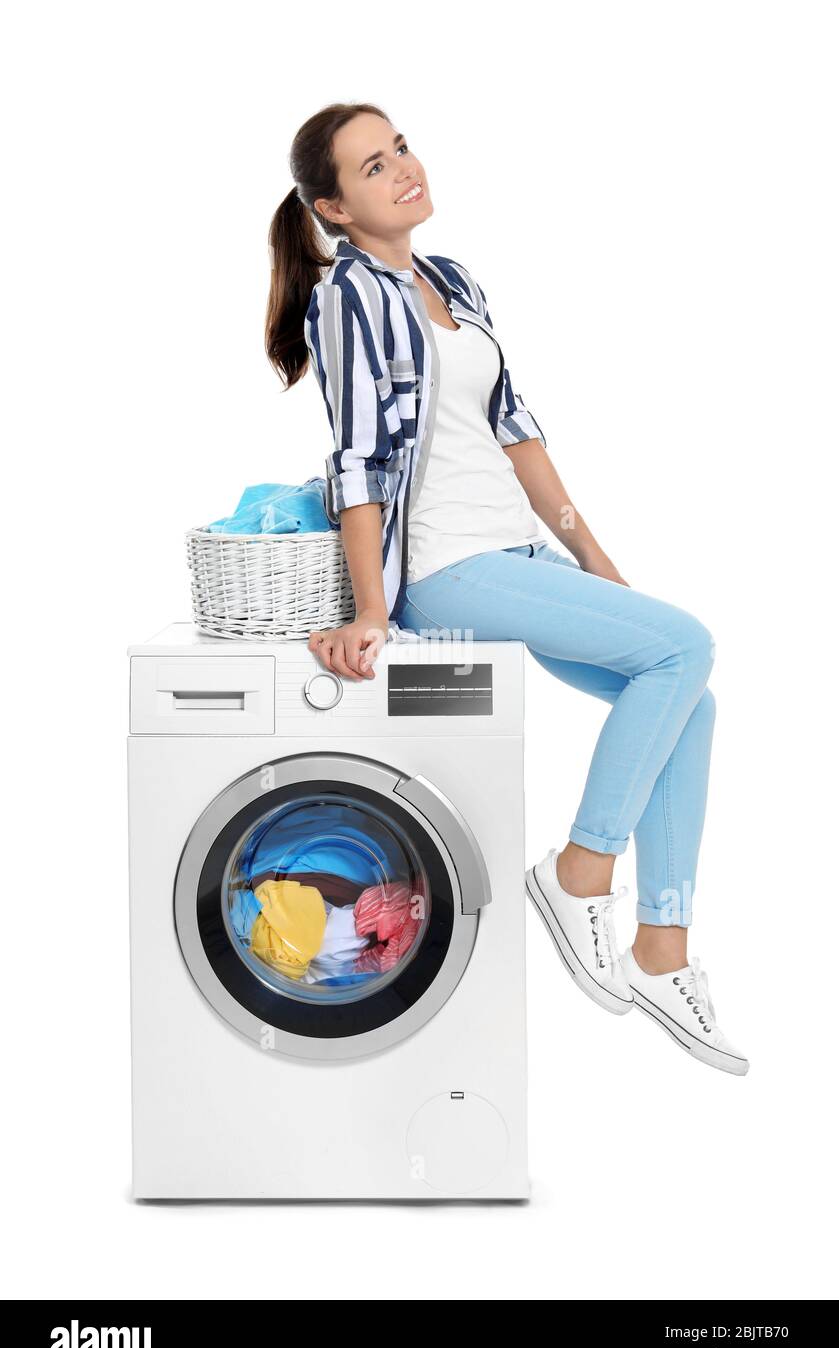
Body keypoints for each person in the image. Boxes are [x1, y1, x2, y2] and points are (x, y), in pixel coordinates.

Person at [265, 101, 748, 1076]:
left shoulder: (452, 280)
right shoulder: (349, 303)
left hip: (515, 555)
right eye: (371, 167)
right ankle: (577, 876)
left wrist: (597, 571)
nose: (401, 167)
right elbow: (357, 462)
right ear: (335, 209)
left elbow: (517, 432)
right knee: (687, 647)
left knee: (685, 697)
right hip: (446, 571)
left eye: (398, 146)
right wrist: (369, 608)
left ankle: (661, 951)